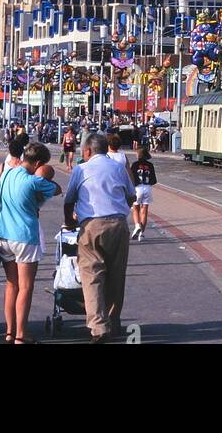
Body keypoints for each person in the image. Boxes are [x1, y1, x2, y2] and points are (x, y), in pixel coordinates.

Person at [64, 132, 136, 342]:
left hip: (91, 226)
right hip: (118, 225)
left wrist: (70, 221)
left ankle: (98, 327)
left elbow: (69, 201)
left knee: (92, 275)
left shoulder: (81, 169)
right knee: (116, 275)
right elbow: (131, 196)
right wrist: (120, 210)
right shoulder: (118, 167)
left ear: (87, 151)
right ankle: (113, 321)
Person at [0, 142, 62, 344]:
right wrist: (45, 172)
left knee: (11, 285)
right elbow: (57, 189)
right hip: (24, 237)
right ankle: (21, 334)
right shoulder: (34, 182)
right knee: (25, 287)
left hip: (3, 235)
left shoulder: (7, 173)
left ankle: (9, 331)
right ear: (39, 162)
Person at [130, 146, 156, 241]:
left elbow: (131, 177)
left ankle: (137, 226)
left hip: (138, 188)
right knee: (144, 211)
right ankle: (141, 234)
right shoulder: (150, 165)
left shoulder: (135, 164)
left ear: (139, 154)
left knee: (135, 209)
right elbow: (154, 180)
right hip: (148, 188)